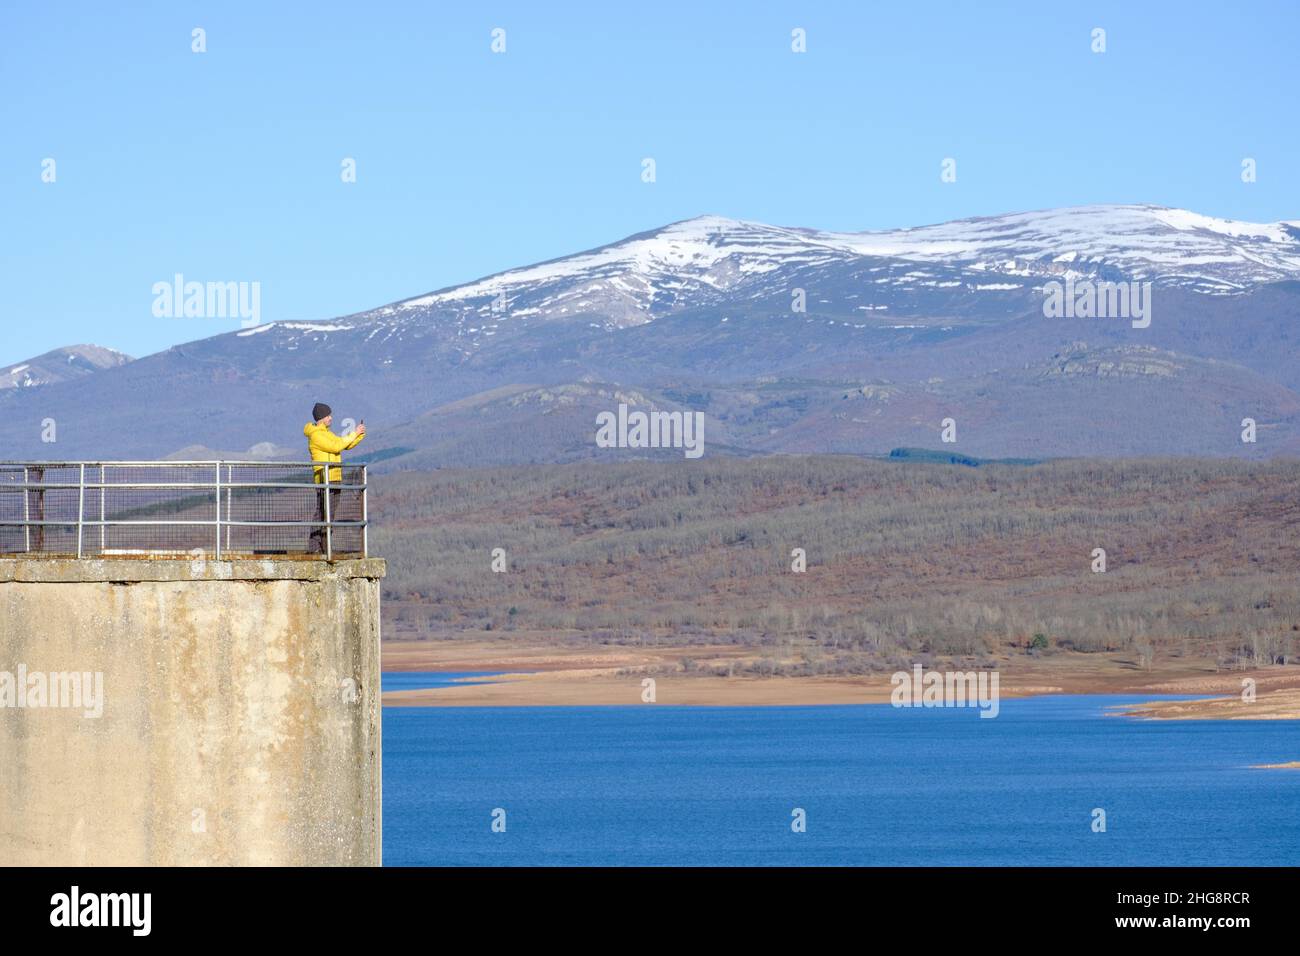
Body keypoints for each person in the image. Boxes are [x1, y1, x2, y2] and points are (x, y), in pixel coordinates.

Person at [303, 402, 365, 554]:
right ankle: (319, 547)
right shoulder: (317, 435)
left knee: (327, 514)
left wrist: (359, 435)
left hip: (334, 477)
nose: (331, 418)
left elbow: (342, 444)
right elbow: (336, 447)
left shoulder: (327, 433)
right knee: (324, 514)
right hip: (325, 479)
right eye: (329, 415)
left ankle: (321, 546)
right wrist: (354, 434)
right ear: (322, 417)